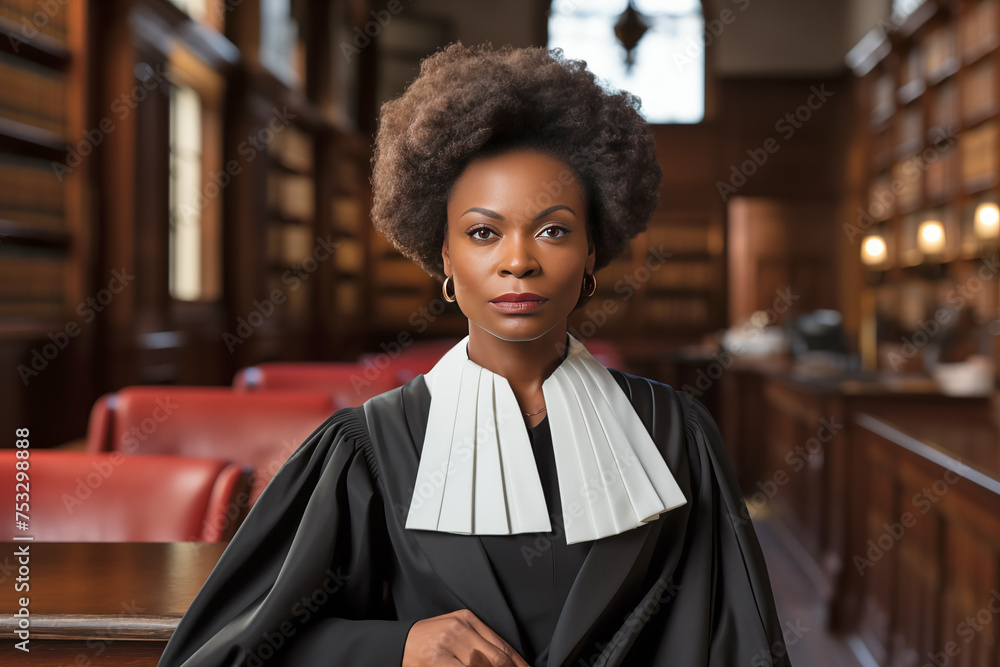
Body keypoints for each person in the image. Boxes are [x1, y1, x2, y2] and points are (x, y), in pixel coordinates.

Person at [157, 42, 791, 667]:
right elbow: (220, 653)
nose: (519, 260)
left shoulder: (674, 433)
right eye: (484, 233)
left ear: (593, 251)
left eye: (553, 230)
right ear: (445, 258)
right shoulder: (369, 448)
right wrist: (396, 647)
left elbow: (737, 647)